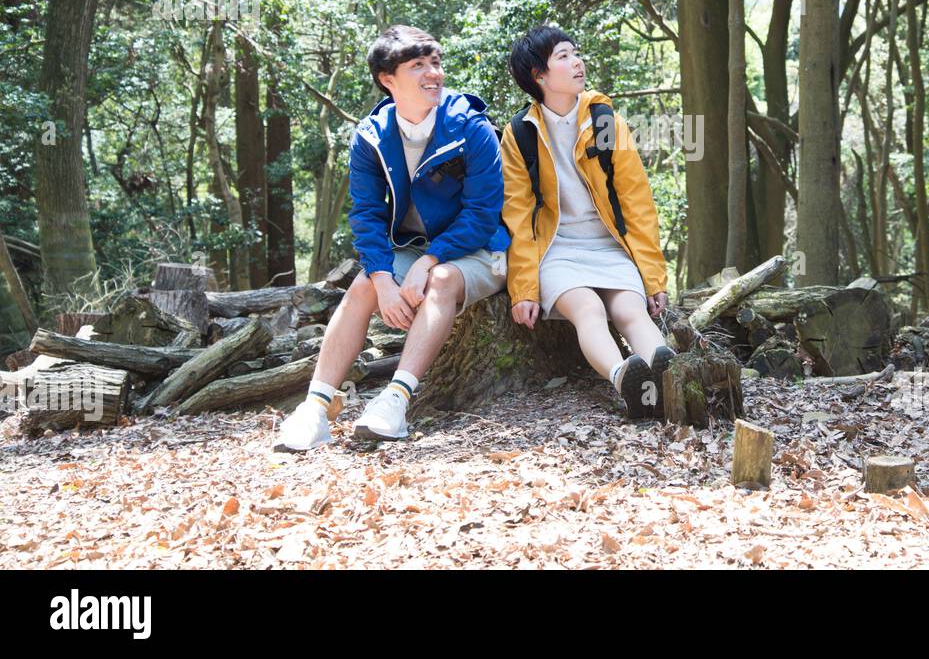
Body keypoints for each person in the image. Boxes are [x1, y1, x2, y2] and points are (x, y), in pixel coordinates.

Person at [275, 25, 509, 451]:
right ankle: (315, 408)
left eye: (435, 63)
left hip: (479, 249)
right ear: (388, 79)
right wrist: (383, 276)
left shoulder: (471, 126)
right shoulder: (370, 135)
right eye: (418, 65)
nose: (433, 73)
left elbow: (482, 213)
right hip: (412, 247)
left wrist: (429, 260)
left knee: (438, 282)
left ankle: (396, 400)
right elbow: (366, 214)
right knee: (364, 285)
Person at [500, 25, 674, 420]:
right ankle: (625, 379)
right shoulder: (519, 134)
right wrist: (524, 288)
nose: (577, 61)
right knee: (588, 309)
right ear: (538, 75)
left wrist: (653, 277)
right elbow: (518, 215)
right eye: (563, 56)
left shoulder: (605, 120)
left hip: (610, 245)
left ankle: (666, 372)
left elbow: (637, 203)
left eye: (575, 53)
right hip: (557, 249)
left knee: (632, 309)